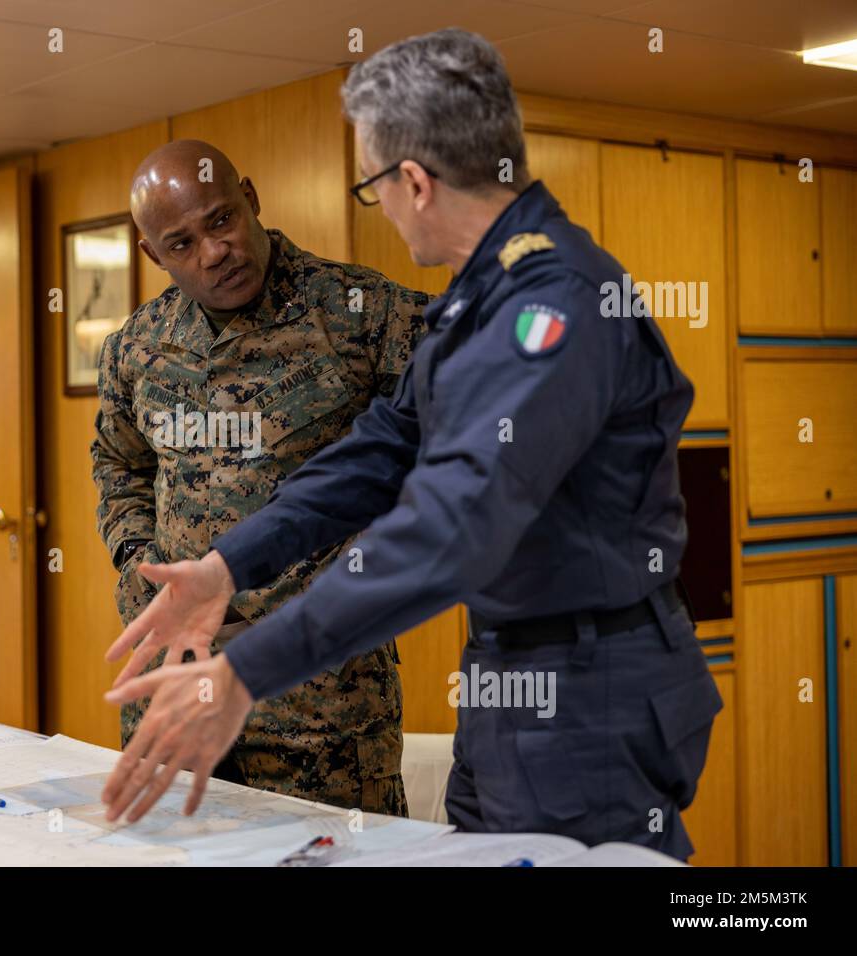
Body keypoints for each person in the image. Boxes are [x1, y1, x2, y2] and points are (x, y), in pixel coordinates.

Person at [100, 30, 722, 861]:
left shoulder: (556, 304)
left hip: (588, 692)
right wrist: (226, 566)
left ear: (415, 183)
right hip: (513, 678)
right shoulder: (480, 297)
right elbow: (381, 448)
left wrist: (244, 671)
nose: (382, 210)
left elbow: (450, 529)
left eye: (373, 189)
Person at [91, 139, 431, 815]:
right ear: (154, 256)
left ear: (250, 198)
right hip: (175, 675)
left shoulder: (366, 315)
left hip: (320, 697)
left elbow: (443, 448)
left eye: (220, 221)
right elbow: (120, 462)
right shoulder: (136, 346)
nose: (214, 251)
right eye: (181, 243)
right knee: (171, 856)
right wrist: (135, 558)